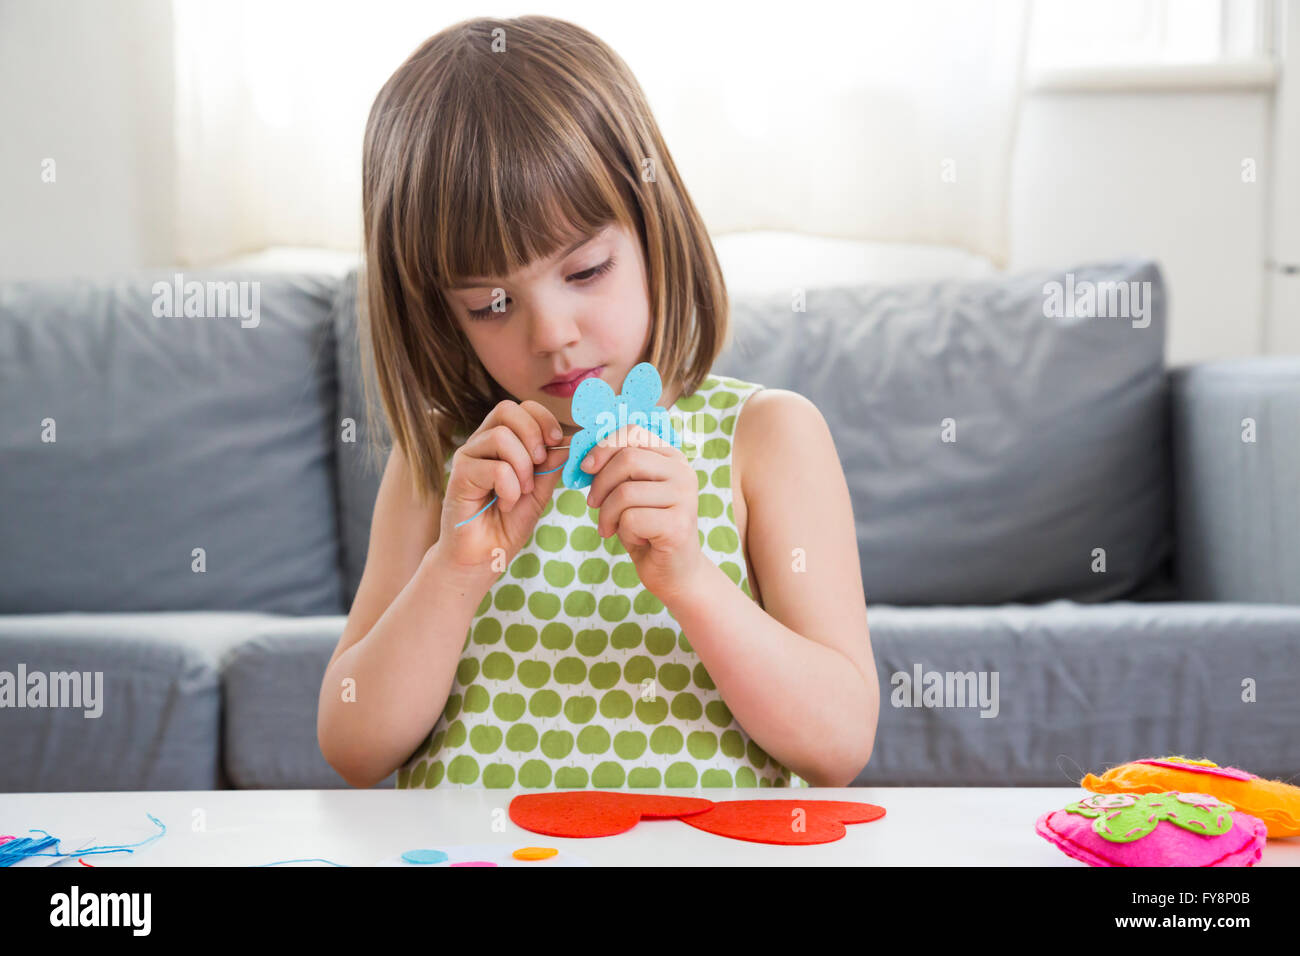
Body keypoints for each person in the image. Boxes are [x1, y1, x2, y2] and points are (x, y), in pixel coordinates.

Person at [317, 15, 878, 791]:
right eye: (489, 304)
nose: (553, 334)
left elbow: (841, 740)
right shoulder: (443, 468)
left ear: (653, 229)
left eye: (584, 272)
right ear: (438, 312)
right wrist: (454, 573)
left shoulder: (768, 439)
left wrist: (690, 578)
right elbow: (352, 743)